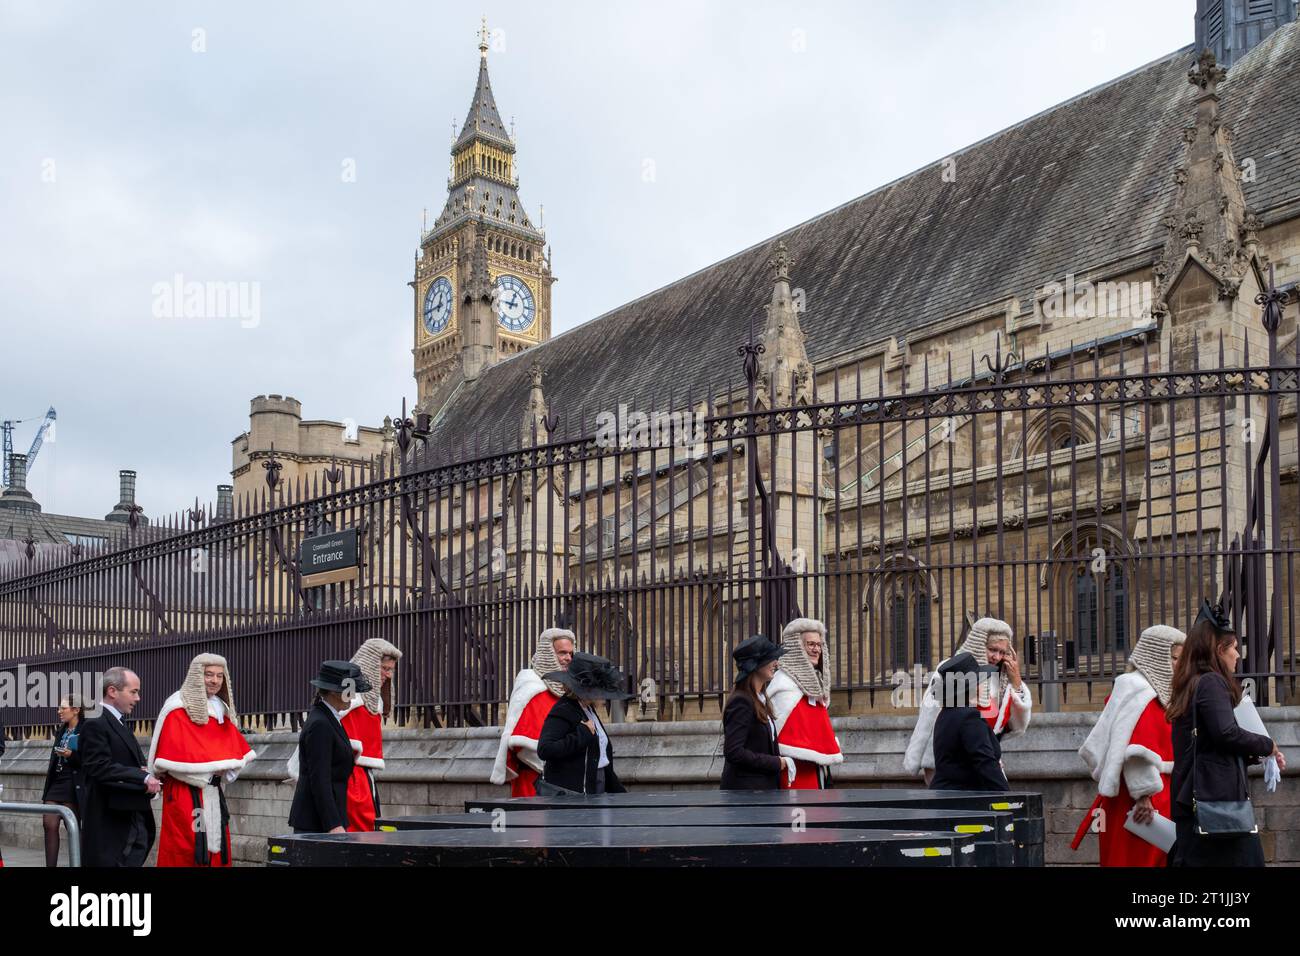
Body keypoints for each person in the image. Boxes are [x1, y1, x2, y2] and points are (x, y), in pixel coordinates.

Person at [1166, 601, 1286, 867]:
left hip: (1199, 803)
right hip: (1216, 808)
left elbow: (1211, 744)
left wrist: (1258, 756)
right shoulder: (1210, 682)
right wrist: (1268, 745)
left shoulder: (1192, 683)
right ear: (1219, 650)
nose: (1237, 656)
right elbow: (1226, 733)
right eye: (1233, 648)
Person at [1072, 625, 1186, 866]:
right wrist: (1143, 794)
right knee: (1136, 858)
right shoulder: (1137, 688)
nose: (1179, 665)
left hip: (1153, 792)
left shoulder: (1153, 691)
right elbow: (1133, 745)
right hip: (1140, 797)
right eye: (1174, 658)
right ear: (1156, 657)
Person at [146, 653, 256, 867]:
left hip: (214, 794)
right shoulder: (178, 706)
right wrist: (206, 775)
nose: (215, 681)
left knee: (217, 848)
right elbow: (168, 761)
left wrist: (223, 772)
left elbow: (234, 753)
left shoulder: (221, 709)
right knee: (188, 848)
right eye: (208, 675)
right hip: (186, 794)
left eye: (219, 676)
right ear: (197, 676)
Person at [904, 617, 1031, 783]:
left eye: (1002, 652)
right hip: (950, 761)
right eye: (992, 649)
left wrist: (1016, 683)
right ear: (979, 644)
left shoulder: (1001, 679)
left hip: (984, 759)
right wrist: (918, 758)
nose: (997, 657)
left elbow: (1017, 725)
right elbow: (929, 715)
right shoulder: (952, 668)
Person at [79, 667, 161, 867]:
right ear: (113, 691)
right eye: (133, 692)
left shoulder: (117, 720)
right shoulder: (95, 721)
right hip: (112, 820)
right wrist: (141, 777)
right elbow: (99, 767)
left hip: (130, 813)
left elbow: (127, 762)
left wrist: (144, 773)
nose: (138, 698)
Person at [288, 660, 370, 833]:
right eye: (351, 691)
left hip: (325, 818)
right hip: (317, 823)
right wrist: (333, 824)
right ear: (334, 691)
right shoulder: (321, 723)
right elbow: (319, 778)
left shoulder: (329, 718)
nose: (354, 696)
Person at [491, 628, 574, 797]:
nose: (568, 658)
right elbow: (524, 745)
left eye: (571, 654)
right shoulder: (532, 688)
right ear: (549, 653)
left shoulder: (566, 691)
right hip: (535, 781)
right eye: (562, 653)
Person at [536, 652, 632, 795]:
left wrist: (619, 794)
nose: (604, 696)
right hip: (571, 796)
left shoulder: (587, 708)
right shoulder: (564, 709)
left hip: (596, 786)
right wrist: (582, 733)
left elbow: (601, 759)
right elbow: (545, 749)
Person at [766, 619, 842, 789]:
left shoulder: (816, 682)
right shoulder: (783, 683)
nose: (816, 649)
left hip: (816, 768)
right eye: (810, 644)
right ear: (797, 648)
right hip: (792, 768)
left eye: (819, 644)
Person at [339, 638, 402, 831]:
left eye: (390, 669)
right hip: (348, 776)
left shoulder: (372, 701)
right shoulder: (349, 697)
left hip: (363, 776)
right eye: (384, 668)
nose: (387, 675)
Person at [721, 634, 795, 790]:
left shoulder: (761, 698)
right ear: (755, 665)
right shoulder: (741, 702)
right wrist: (776, 762)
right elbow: (734, 752)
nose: (776, 663)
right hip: (746, 795)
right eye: (770, 659)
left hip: (762, 791)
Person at [928, 652, 1010, 792]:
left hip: (946, 796)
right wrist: (1009, 799)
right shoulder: (970, 717)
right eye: (980, 682)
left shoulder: (946, 715)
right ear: (972, 687)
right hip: (965, 800)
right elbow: (985, 762)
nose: (983, 686)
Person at [41, 693, 86, 867]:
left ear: (76, 710)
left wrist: (71, 755)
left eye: (63, 708)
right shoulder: (61, 729)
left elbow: (91, 760)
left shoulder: (87, 729)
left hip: (73, 782)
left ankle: (79, 863)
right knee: (48, 824)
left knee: (73, 827)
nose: (59, 711)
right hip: (57, 781)